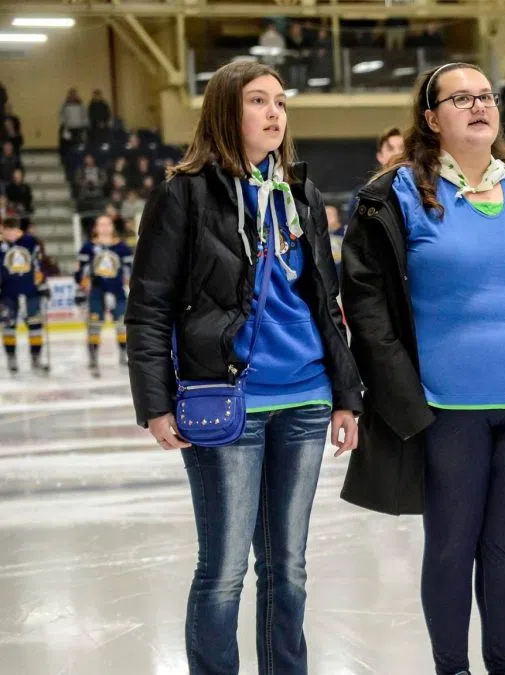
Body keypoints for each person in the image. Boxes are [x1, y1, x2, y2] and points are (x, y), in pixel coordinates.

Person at [337, 62, 505, 675]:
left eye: (486, 96)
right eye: (461, 98)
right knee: (454, 544)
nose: (479, 106)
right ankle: (452, 668)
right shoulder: (394, 193)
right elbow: (368, 306)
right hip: (446, 405)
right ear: (431, 118)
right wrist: (399, 395)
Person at [125, 60, 363, 675]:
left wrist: (345, 395)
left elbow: (324, 301)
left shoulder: (301, 193)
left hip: (306, 397)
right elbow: (148, 306)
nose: (275, 113)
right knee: (226, 567)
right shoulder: (183, 192)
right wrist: (155, 403)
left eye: (281, 102)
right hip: (225, 402)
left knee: (289, 567)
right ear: (226, 112)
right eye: (259, 101)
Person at [75, 214, 132, 376]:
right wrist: (81, 288)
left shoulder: (122, 248)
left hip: (117, 290)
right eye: (101, 224)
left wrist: (132, 287)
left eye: (107, 224)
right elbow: (81, 272)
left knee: (122, 324)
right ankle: (93, 357)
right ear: (96, 228)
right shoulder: (88, 248)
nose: (105, 227)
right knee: (94, 325)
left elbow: (130, 271)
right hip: (97, 291)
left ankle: (123, 355)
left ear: (112, 227)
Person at [0, 216, 48, 374]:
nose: (9, 236)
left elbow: (38, 264)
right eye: (6, 232)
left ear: (18, 230)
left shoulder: (31, 242)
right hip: (7, 292)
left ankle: (36, 357)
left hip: (30, 290)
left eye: (12, 232)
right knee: (8, 325)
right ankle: (11, 358)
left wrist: (43, 285)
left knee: (35, 325)